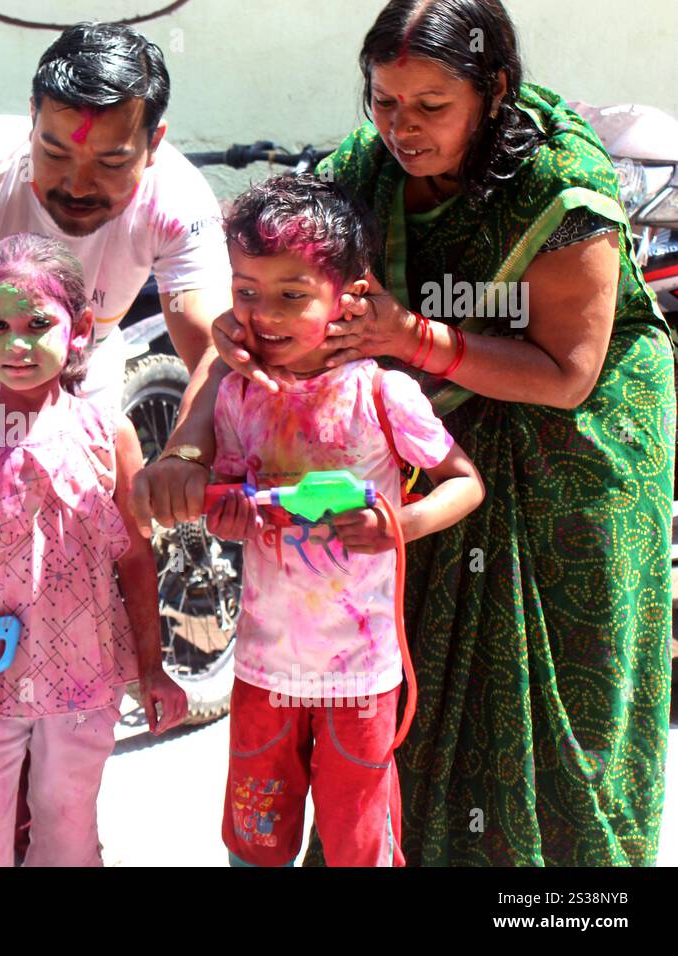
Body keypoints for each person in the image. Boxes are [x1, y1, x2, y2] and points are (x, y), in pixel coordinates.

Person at [206, 0, 674, 865]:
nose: (401, 129)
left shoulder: (558, 181)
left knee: (556, 683)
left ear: (493, 90)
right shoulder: (368, 166)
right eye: (384, 102)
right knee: (412, 661)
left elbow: (568, 372)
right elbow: (283, 278)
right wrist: (235, 339)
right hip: (424, 414)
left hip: (573, 441)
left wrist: (411, 338)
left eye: (430, 107)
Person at [206, 175, 484, 867]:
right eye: (246, 291)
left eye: (290, 295)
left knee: (357, 840)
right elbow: (223, 504)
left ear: (350, 293)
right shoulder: (240, 394)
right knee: (256, 839)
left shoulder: (384, 393)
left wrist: (398, 525)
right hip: (264, 666)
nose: (263, 314)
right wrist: (230, 513)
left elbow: (465, 485)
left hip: (360, 675)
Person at [0, 232, 188, 866]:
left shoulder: (109, 435)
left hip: (85, 673)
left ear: (79, 330)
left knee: (68, 822)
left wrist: (151, 668)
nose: (17, 343)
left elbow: (134, 558)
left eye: (38, 323)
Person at [0, 20, 246, 431]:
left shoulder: (176, 198)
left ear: (154, 144)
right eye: (55, 153)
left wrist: (186, 454)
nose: (77, 186)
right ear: (32, 118)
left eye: (110, 163)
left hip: (83, 390)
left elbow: (212, 345)